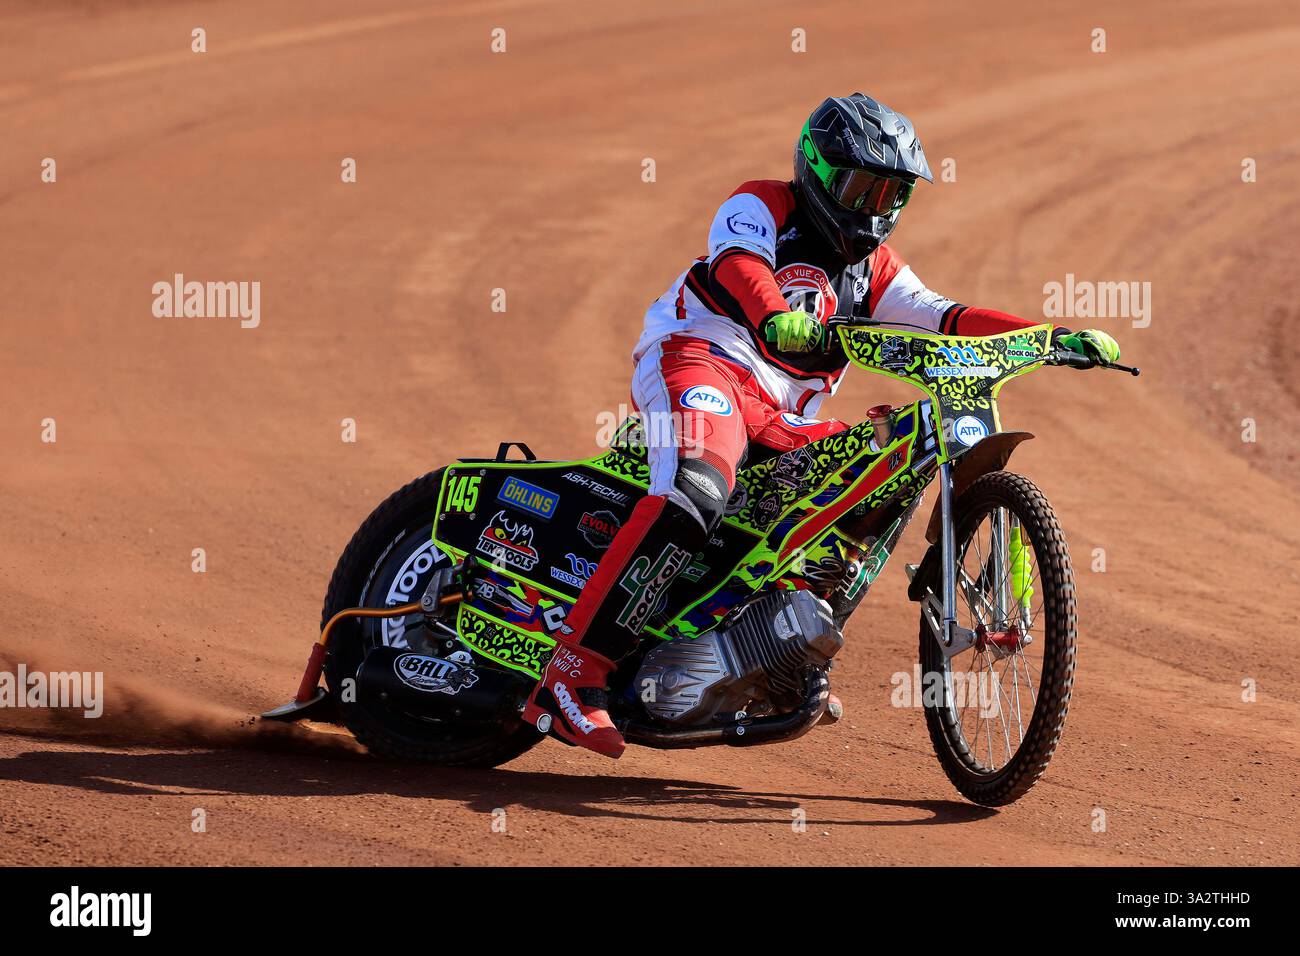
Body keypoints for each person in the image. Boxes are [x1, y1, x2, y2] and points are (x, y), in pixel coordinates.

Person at [522, 92, 1120, 757]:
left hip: (779, 415)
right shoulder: (761, 204)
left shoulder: (876, 272)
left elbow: (945, 317)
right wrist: (774, 312)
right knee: (699, 488)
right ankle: (574, 673)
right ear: (815, 168)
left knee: (870, 474)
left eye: (892, 193)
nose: (875, 209)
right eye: (861, 186)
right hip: (701, 361)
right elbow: (738, 263)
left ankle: (768, 656)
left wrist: (1049, 336)